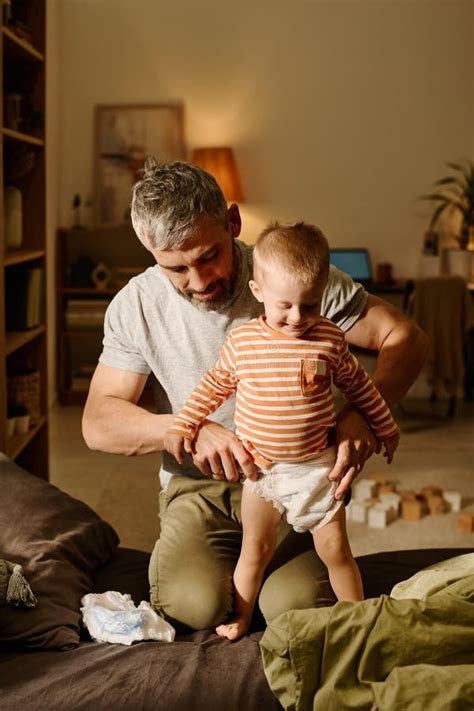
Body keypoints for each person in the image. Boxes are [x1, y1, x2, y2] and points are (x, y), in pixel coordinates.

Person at [82, 159, 428, 632]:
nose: (199, 281)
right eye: (176, 268)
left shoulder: (292, 277)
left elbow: (405, 338)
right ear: (150, 254)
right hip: (196, 487)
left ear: (233, 221)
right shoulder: (137, 304)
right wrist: (188, 429)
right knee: (194, 606)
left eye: (209, 255)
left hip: (291, 476)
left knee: (296, 606)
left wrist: (363, 418)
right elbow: (98, 422)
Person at [164, 222, 400, 640]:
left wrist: (383, 426)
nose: (297, 318)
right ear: (258, 292)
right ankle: (240, 615)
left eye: (309, 306)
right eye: (285, 306)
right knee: (254, 549)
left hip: (317, 471)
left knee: (336, 552)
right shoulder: (244, 343)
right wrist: (187, 423)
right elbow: (213, 385)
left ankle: (361, 620)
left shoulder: (328, 339)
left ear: (323, 294)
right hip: (263, 472)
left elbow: (360, 387)